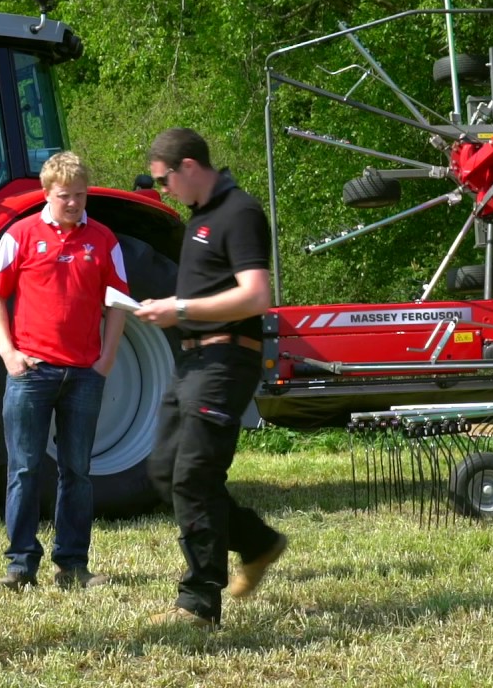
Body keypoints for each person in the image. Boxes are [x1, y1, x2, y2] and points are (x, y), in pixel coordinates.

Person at [134, 127, 287, 629]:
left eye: (163, 180)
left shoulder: (238, 212)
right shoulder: (202, 217)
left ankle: (199, 601)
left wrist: (179, 307)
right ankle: (259, 543)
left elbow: (256, 295)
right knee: (163, 471)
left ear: (188, 167)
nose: (162, 191)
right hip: (192, 361)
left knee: (195, 475)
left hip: (226, 359)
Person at [0, 150, 130, 592]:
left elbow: (119, 303)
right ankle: (20, 566)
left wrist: (107, 358)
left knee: (77, 471)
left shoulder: (104, 240)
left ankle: (72, 564)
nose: (74, 203)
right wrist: (9, 354)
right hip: (31, 371)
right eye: (66, 195)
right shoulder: (19, 234)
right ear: (46, 193)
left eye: (81, 195)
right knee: (25, 468)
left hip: (84, 374)